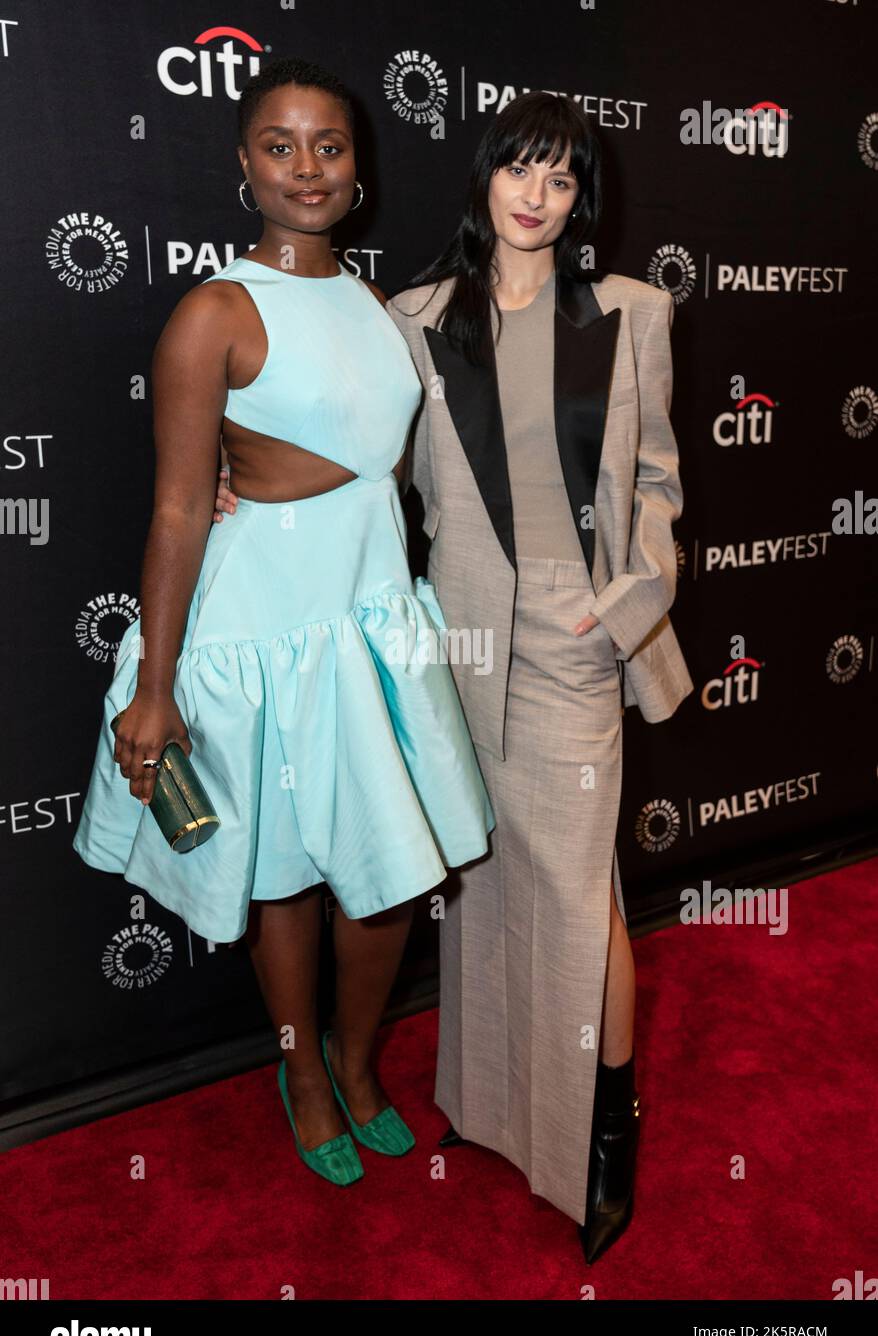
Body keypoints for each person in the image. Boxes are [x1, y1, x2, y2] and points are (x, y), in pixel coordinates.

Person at [216, 91, 694, 1260]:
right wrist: (249, 490)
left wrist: (618, 606)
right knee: (476, 890)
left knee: (583, 902)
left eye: (562, 179)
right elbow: (354, 446)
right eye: (517, 170)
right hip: (458, 649)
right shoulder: (415, 319)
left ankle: (603, 1131)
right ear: (483, 178)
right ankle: (487, 1107)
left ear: (583, 201)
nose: (535, 196)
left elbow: (658, 485)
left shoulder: (632, 312)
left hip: (578, 650)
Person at [72, 58, 495, 1189]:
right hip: (263, 627)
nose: (305, 167)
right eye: (278, 144)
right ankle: (302, 1070)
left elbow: (384, 465)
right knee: (283, 874)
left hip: (368, 622)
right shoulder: (212, 310)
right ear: (242, 166)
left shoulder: (374, 305)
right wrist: (156, 685)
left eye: (328, 147)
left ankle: (360, 1063)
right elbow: (174, 506)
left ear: (358, 173)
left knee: (393, 873)